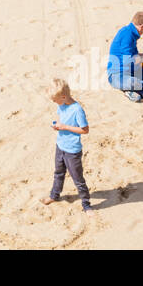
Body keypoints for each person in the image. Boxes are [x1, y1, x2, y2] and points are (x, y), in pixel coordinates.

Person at [43, 78, 92, 212]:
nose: (54, 102)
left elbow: (85, 130)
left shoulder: (77, 110)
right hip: (60, 146)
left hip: (72, 151)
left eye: (55, 99)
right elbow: (62, 120)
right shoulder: (61, 105)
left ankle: (86, 205)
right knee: (58, 173)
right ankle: (54, 195)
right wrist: (58, 127)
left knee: (78, 179)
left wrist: (64, 127)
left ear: (64, 97)